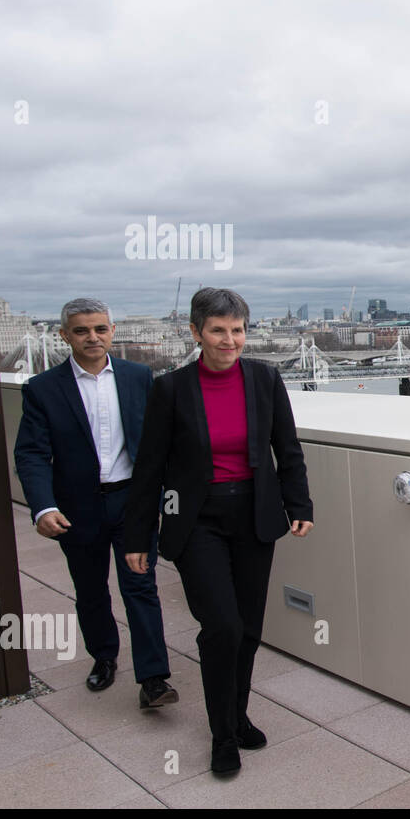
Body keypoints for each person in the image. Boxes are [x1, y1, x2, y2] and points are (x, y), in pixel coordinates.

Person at [123, 288, 314, 776]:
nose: (230, 340)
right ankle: (222, 735)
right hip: (197, 519)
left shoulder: (265, 380)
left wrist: (300, 504)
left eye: (238, 330)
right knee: (222, 626)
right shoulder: (171, 389)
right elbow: (149, 468)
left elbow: (286, 449)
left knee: (248, 629)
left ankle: (239, 714)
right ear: (195, 332)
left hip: (254, 516)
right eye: (218, 330)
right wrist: (134, 537)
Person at [14, 298, 178, 708]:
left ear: (112, 331)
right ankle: (104, 657)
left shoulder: (139, 377)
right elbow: (31, 454)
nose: (93, 337)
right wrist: (43, 506)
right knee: (90, 590)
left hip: (131, 503)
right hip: (77, 507)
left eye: (100, 329)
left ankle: (154, 678)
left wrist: (166, 496)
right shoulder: (43, 389)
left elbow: (161, 442)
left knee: (140, 586)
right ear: (65, 335)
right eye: (82, 330)